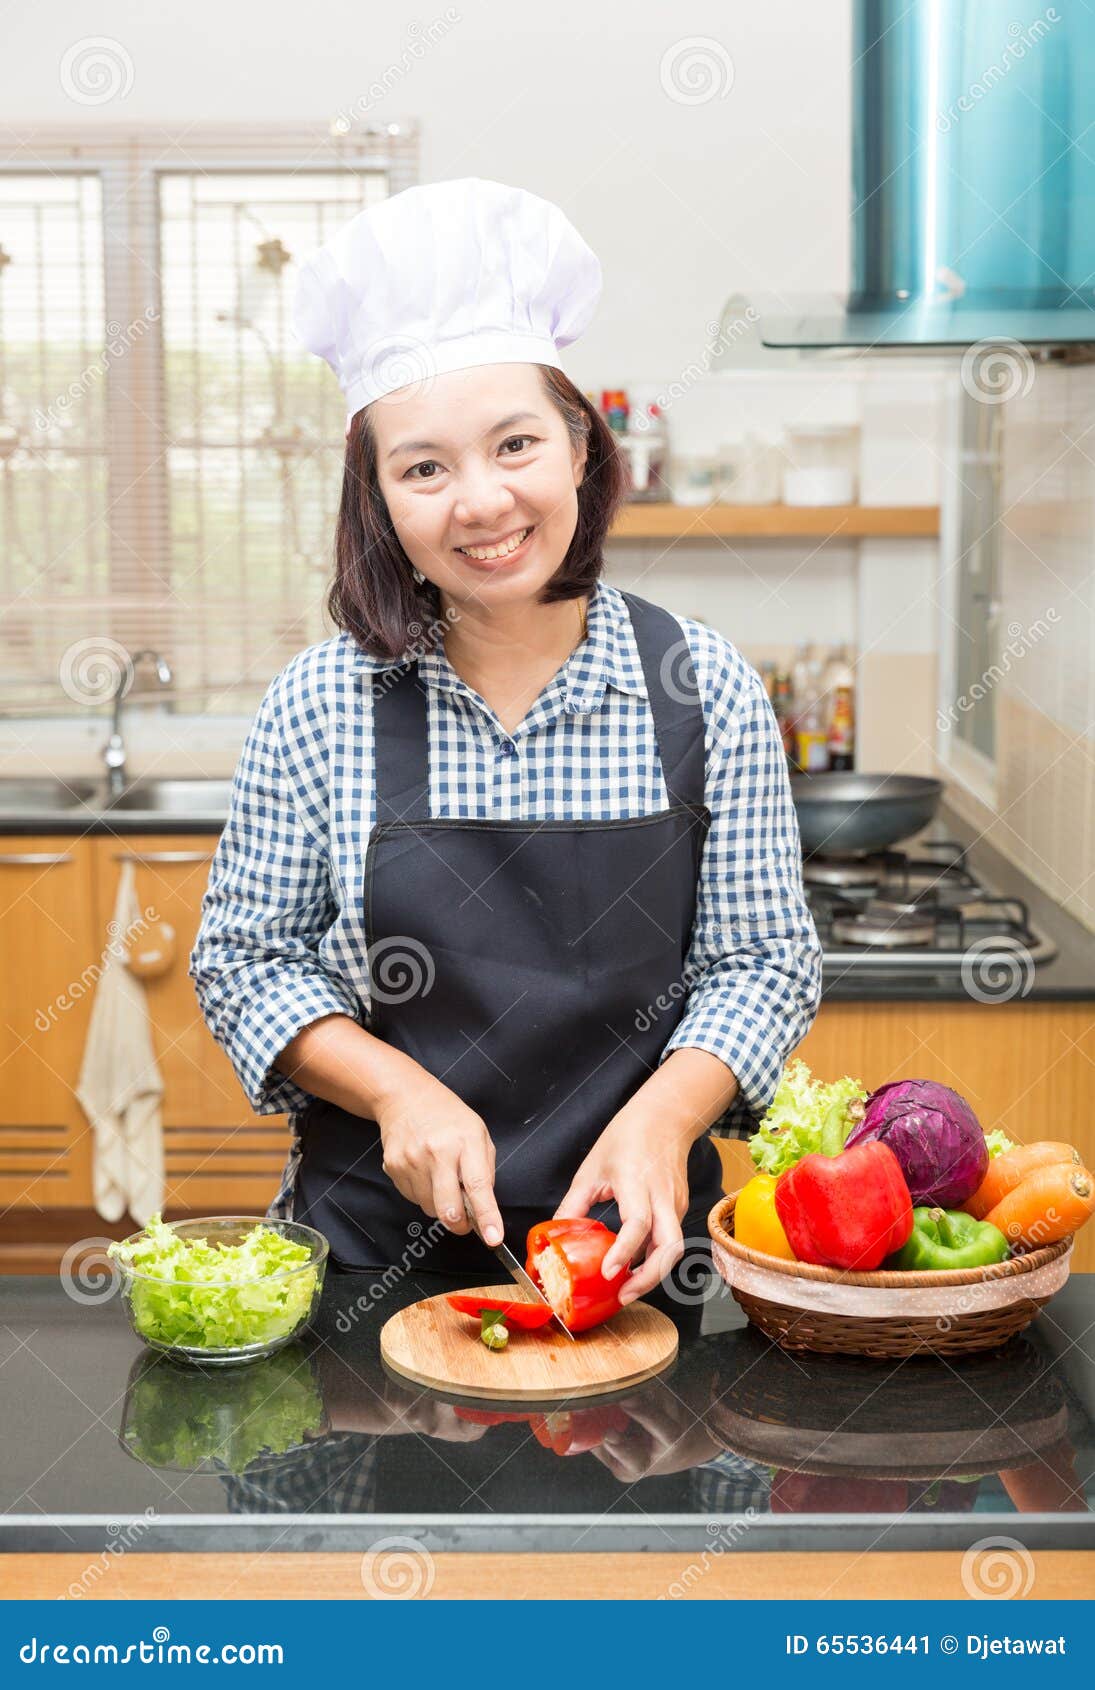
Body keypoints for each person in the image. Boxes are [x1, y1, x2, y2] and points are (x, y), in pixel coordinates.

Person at [189, 177, 823, 1301]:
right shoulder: (321, 703)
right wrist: (396, 1091)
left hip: (638, 1253)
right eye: (423, 466)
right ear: (380, 501)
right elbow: (242, 962)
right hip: (372, 1257)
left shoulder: (701, 686)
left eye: (514, 443)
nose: (480, 502)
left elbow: (764, 962)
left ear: (580, 446)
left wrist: (667, 1116)